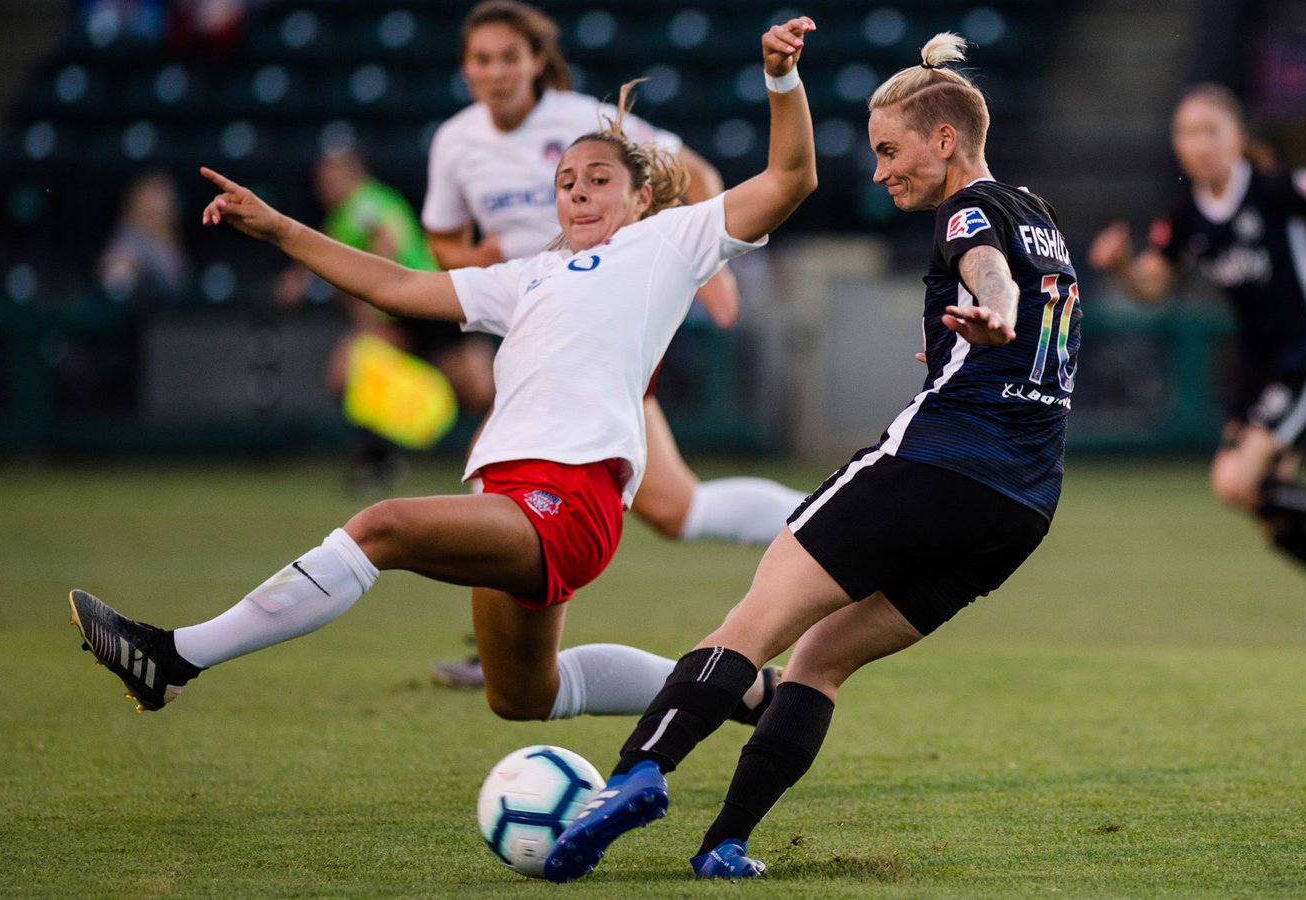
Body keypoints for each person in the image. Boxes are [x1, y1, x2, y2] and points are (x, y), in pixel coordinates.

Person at [67, 17, 817, 738]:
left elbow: (790, 177)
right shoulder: (526, 276)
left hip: (571, 499)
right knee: (524, 696)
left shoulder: (666, 243)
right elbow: (396, 286)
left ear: (642, 196)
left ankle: (173, 658)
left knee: (382, 527)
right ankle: (746, 689)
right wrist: (281, 228)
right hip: (509, 491)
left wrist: (780, 79)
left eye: (598, 178)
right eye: (566, 181)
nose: (580, 191)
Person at [543, 32, 1079, 882]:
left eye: (889, 150)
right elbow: (1022, 309)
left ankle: (633, 775)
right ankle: (724, 844)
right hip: (1021, 507)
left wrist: (993, 309)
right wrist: (973, 338)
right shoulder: (1040, 214)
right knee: (822, 662)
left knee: (752, 626)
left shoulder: (968, 209)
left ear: (944, 140)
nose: (879, 172)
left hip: (937, 465)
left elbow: (988, 271)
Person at [423, 0, 811, 688]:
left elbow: (692, 172)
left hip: (601, 326)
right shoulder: (455, 140)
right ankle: (839, 525)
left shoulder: (578, 122)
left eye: (508, 57)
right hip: (534, 327)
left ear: (537, 62)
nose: (495, 72)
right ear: (464, 68)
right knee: (674, 508)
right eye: (481, 59)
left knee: (531, 484)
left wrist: (708, 270)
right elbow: (444, 240)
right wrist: (469, 256)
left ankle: (841, 526)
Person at [1087, 83, 1306, 627]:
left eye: (1209, 131)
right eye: (1186, 133)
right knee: (1257, 501)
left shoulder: (1271, 190)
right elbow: (1154, 284)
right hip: (1258, 364)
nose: (1198, 145)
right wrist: (1122, 267)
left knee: (1239, 483)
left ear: (1238, 139)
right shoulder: (1185, 215)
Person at [275, 145, 495, 491]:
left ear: (355, 172)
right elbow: (328, 255)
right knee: (346, 370)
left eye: (333, 174)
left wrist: (367, 307)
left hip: (426, 304)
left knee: (480, 389)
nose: (325, 183)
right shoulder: (342, 216)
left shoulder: (365, 202)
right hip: (407, 312)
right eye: (322, 176)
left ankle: (510, 456)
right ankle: (378, 462)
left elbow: (384, 241)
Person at [98, 170, 192, 301]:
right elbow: (117, 281)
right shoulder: (128, 243)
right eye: (154, 197)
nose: (164, 206)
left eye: (167, 198)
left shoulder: (166, 241)